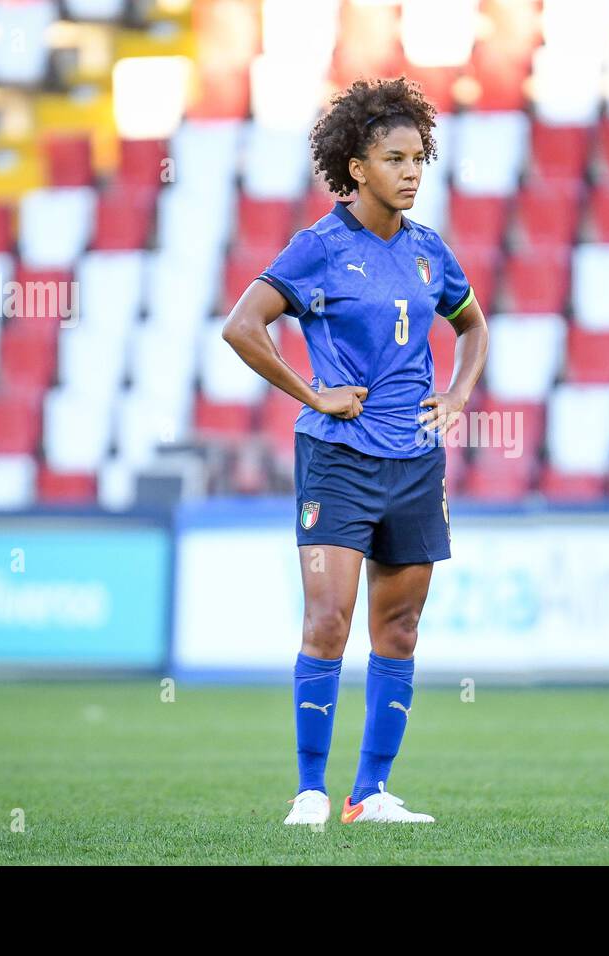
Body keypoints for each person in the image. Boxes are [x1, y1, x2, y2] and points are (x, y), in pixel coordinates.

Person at [221, 76, 489, 825]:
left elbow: (474, 328)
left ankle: (368, 794)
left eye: (418, 159)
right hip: (338, 459)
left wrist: (460, 396)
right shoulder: (320, 248)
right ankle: (310, 789)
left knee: (398, 629)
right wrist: (312, 394)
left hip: (415, 462)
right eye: (396, 158)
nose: (411, 172)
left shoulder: (430, 253)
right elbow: (243, 325)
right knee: (329, 619)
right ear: (357, 167)